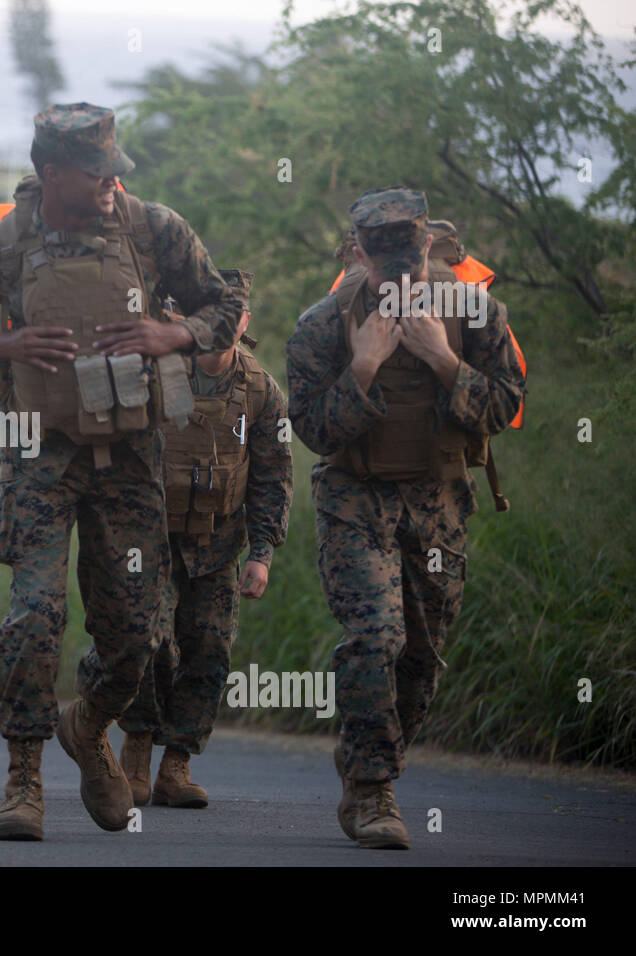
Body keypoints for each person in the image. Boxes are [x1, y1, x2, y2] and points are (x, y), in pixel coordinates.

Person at [0, 102, 244, 839]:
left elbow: (225, 301)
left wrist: (175, 332)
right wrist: (2, 348)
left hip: (131, 459)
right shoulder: (2, 249)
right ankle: (23, 780)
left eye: (113, 171)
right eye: (96, 174)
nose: (110, 185)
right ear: (52, 172)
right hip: (40, 452)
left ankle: (88, 724)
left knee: (136, 633)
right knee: (34, 615)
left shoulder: (154, 229)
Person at [285, 186, 525, 849]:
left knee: (422, 660)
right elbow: (313, 432)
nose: (401, 280)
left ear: (427, 248)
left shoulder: (475, 313)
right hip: (355, 501)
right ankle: (371, 792)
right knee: (377, 636)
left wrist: (445, 363)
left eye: (411, 267)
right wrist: (362, 367)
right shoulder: (323, 324)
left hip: (439, 502)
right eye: (385, 269)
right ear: (360, 255)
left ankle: (372, 756)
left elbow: (506, 407)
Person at [115, 269, 293, 807]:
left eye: (231, 315)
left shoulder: (261, 391)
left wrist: (261, 554)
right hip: (150, 540)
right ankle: (137, 746)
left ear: (243, 322)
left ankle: (178, 762)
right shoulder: (154, 374)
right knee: (148, 641)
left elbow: (273, 478)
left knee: (210, 649)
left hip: (217, 546)